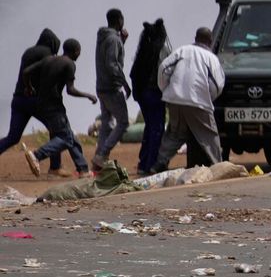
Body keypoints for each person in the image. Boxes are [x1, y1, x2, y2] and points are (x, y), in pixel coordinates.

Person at [19, 38, 95, 178]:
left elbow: (26, 72)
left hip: (40, 104)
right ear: (76, 51)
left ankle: (83, 169)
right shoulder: (69, 64)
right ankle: (36, 155)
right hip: (54, 106)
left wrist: (29, 87)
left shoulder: (49, 59)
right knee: (66, 138)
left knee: (69, 135)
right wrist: (88, 95)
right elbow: (70, 90)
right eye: (79, 52)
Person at [152, 27, 225, 171]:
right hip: (198, 101)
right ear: (210, 41)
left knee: (175, 133)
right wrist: (207, 97)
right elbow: (218, 84)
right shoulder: (211, 58)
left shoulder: (182, 50)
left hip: (174, 99)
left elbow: (164, 69)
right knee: (209, 135)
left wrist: (166, 90)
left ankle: (160, 163)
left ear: (196, 38)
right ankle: (218, 165)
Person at [0, 30, 63, 173]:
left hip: (18, 100)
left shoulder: (28, 52)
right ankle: (55, 167)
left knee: (13, 137)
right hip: (35, 101)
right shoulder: (46, 54)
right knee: (56, 129)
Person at [128, 20, 170, 177]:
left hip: (142, 95)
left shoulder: (143, 49)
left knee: (150, 127)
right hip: (155, 94)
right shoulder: (162, 50)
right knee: (157, 129)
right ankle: (152, 165)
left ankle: (143, 163)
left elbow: (133, 74)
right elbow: (166, 73)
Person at [91, 9, 132, 171]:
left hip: (101, 86)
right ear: (119, 20)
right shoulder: (113, 39)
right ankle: (102, 154)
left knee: (107, 123)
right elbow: (112, 64)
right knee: (123, 122)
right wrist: (125, 84)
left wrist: (122, 41)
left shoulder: (103, 37)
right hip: (112, 88)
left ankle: (98, 158)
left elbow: (112, 56)